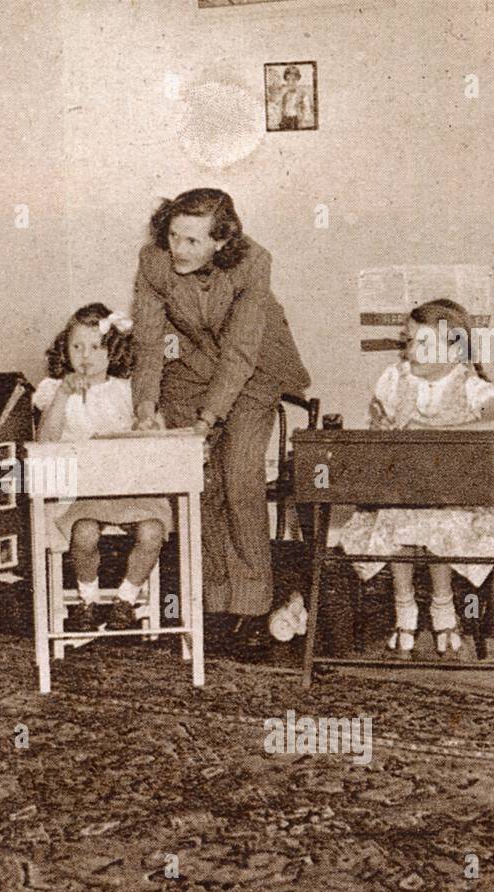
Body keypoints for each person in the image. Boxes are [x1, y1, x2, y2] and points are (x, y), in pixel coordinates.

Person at [130, 187, 311, 654]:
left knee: (238, 477)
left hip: (253, 370)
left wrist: (208, 420)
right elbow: (149, 343)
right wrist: (145, 409)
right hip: (190, 369)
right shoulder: (153, 263)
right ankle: (214, 599)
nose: (178, 249)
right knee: (201, 482)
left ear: (221, 242)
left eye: (193, 241)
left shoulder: (253, 262)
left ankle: (252, 607)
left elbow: (240, 350)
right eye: (173, 235)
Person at [338, 299, 494, 659]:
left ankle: (443, 609)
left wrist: (434, 430)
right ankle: (405, 610)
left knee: (436, 519)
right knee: (397, 515)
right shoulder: (394, 379)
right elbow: (377, 432)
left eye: (425, 344)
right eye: (409, 341)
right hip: (402, 493)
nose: (412, 352)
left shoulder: (471, 386)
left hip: (459, 501)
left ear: (456, 349)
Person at [33, 303, 171, 633]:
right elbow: (45, 441)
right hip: (84, 492)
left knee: (153, 530)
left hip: (130, 489)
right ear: (64, 350)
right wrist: (64, 396)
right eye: (77, 346)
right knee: (83, 533)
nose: (85, 356)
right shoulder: (52, 390)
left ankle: (127, 598)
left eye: (96, 347)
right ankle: (88, 599)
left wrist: (149, 425)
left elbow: (156, 431)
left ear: (113, 351)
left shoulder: (126, 390)